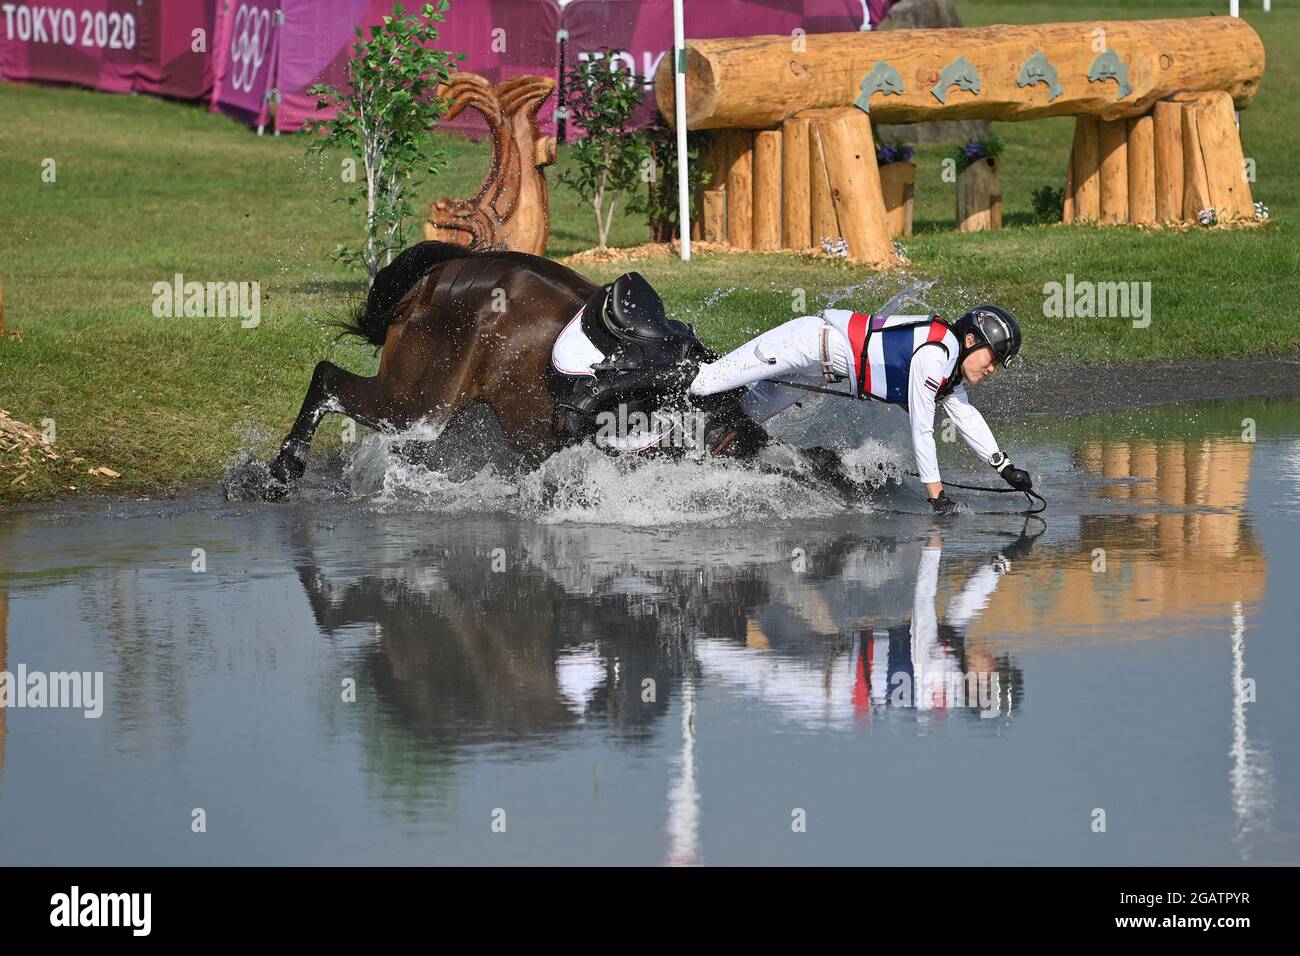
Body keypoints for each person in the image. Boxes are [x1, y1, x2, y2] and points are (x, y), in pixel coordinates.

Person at [688, 304, 1034, 514]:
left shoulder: (951, 372)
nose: (991, 369)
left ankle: (681, 451)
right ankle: (668, 373)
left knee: (744, 418)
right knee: (703, 383)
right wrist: (937, 496)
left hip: (817, 371)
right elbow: (923, 430)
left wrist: (1004, 467)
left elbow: (967, 417)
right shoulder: (935, 354)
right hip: (805, 343)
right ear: (971, 340)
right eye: (992, 359)